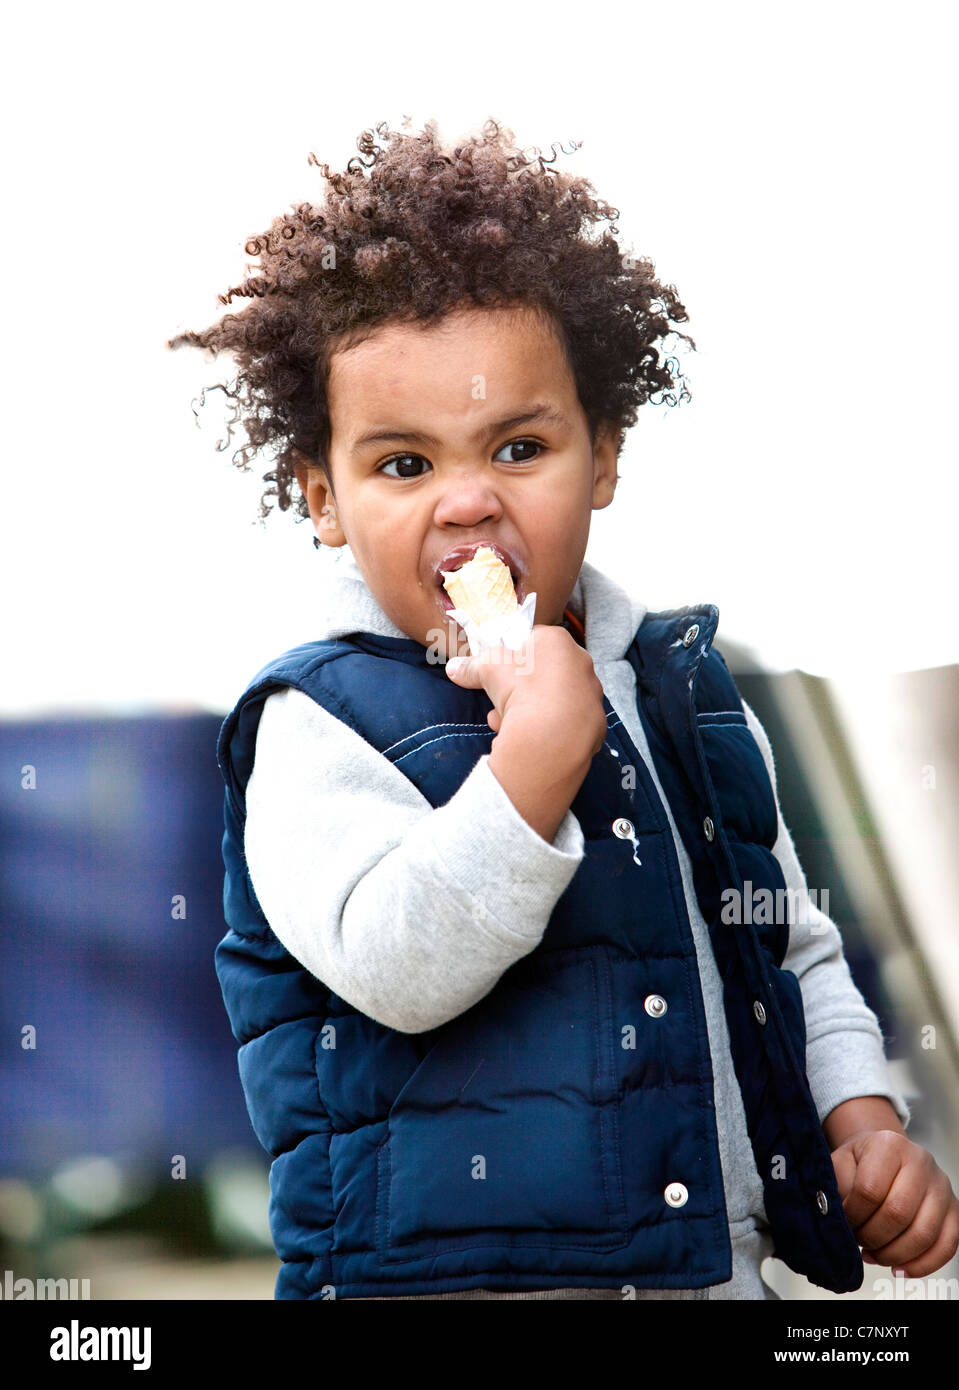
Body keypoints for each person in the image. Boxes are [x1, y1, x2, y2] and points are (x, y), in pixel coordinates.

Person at [168, 117, 959, 1300]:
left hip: (706, 1271)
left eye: (519, 445)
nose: (466, 501)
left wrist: (859, 1118)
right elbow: (392, 966)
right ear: (322, 498)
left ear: (602, 458)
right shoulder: (313, 719)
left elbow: (783, 937)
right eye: (403, 466)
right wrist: (527, 775)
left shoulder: (677, 688)